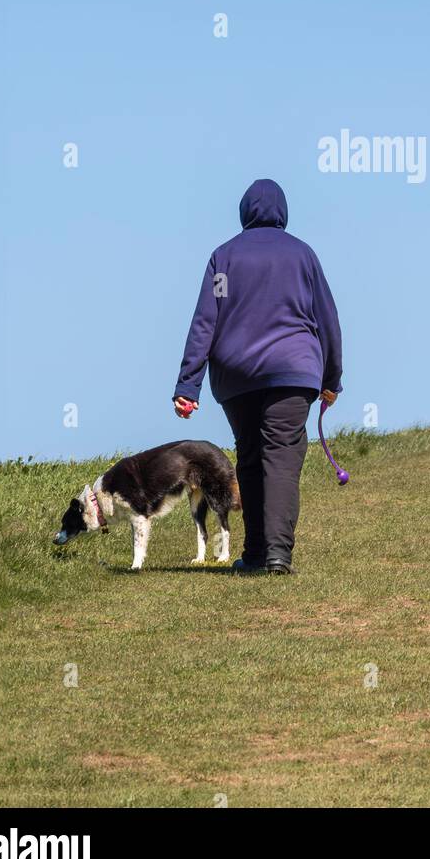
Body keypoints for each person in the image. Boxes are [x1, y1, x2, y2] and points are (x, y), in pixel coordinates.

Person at [172, 178, 342, 575]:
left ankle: (253, 554)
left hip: (237, 375)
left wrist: (188, 386)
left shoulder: (224, 258)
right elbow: (328, 320)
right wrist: (331, 379)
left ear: (244, 212)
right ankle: (277, 556)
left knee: (249, 456)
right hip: (293, 371)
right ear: (283, 213)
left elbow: (204, 322)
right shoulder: (303, 256)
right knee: (281, 459)